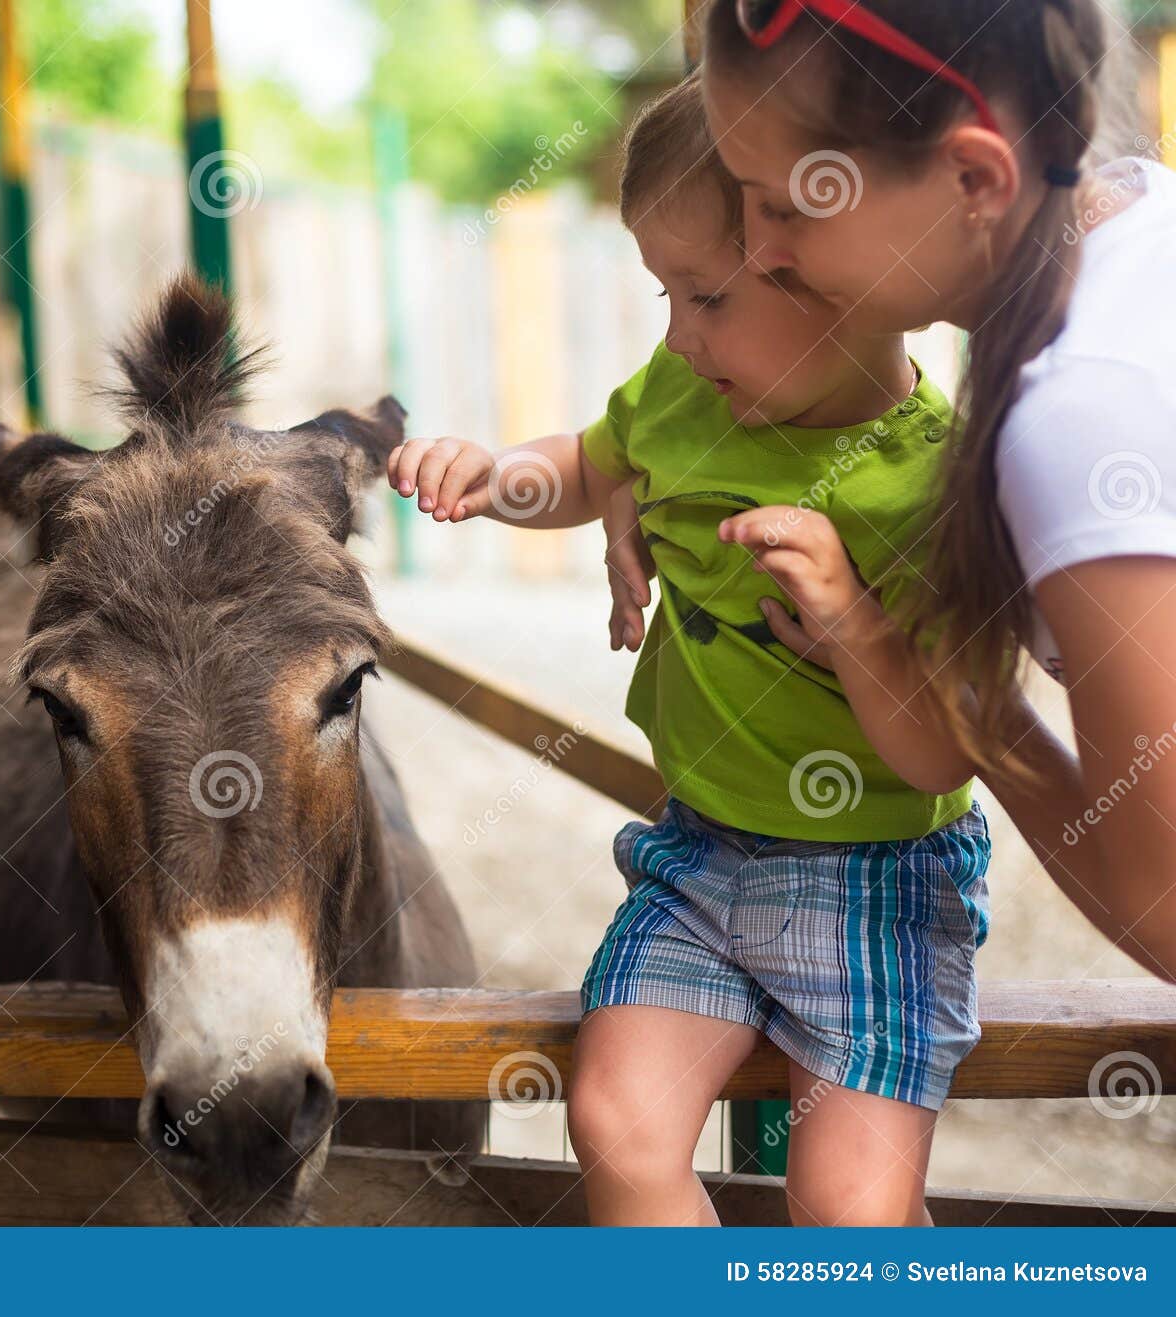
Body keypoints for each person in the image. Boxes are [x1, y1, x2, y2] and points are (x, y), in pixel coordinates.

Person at [389, 79, 996, 1225]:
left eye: (705, 296)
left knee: (853, 1215)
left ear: (844, 281)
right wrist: (497, 474)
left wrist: (858, 628)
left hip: (875, 884)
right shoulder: (686, 391)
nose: (676, 333)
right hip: (701, 858)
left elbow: (937, 753)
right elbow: (592, 464)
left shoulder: (936, 485)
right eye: (665, 294)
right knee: (616, 1125)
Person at [698, 0, 1176, 980]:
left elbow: (1167, 912)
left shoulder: (1078, 418)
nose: (761, 253)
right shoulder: (1141, 221)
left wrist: (975, 713)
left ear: (971, 175)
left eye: (786, 205)